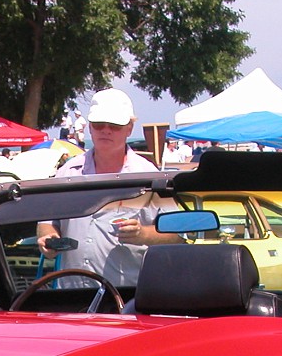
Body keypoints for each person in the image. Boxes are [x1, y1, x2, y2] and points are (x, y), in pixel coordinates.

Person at [36, 88, 179, 289]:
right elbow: (47, 221)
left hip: (126, 296)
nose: (106, 130)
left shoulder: (149, 176)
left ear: (129, 128)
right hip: (72, 294)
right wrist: (48, 238)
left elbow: (177, 234)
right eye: (99, 124)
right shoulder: (68, 171)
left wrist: (142, 234)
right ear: (90, 127)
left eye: (114, 125)